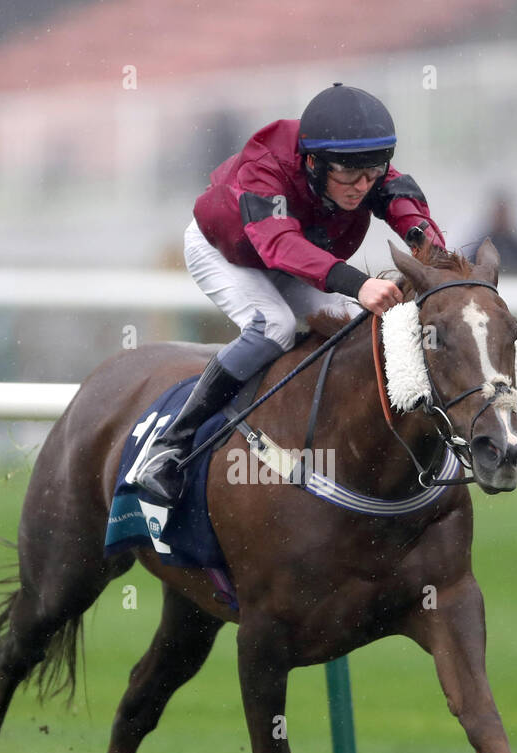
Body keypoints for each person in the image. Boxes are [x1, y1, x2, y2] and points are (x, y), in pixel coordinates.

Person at [133, 82, 448, 505]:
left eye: (372, 175)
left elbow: (404, 205)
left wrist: (433, 253)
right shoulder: (267, 164)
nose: (361, 186)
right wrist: (359, 283)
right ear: (314, 163)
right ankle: (168, 447)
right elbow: (279, 245)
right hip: (228, 252)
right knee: (274, 326)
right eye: (350, 176)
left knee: (352, 326)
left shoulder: (355, 163)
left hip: (296, 258)